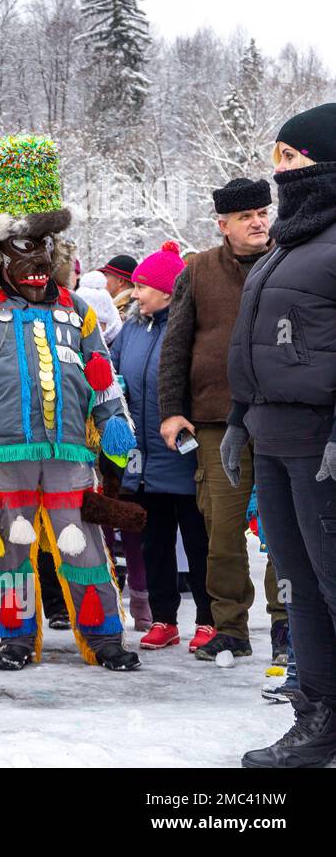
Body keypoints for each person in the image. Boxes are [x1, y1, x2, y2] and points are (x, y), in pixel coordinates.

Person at [0, 135, 140, 673]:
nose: (36, 259)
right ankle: (12, 639)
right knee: (8, 552)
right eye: (22, 246)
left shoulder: (78, 309)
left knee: (83, 548)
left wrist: (116, 423)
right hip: (3, 458)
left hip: (70, 454)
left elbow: (104, 376)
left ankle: (104, 638)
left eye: (44, 246)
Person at [227, 102, 336, 768]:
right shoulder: (288, 245)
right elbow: (254, 345)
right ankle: (319, 717)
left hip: (324, 442)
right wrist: (241, 420)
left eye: (291, 157)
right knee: (299, 583)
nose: (279, 172)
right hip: (276, 438)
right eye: (277, 157)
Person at [158, 176, 285, 663]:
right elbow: (176, 345)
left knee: (284, 529)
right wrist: (172, 411)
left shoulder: (288, 259)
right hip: (214, 420)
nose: (258, 222)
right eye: (246, 216)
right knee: (223, 530)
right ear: (224, 225)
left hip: (281, 415)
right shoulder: (198, 271)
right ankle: (230, 626)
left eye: (262, 213)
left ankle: (287, 624)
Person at [110, 242, 211, 651]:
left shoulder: (188, 329)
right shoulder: (133, 328)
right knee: (154, 542)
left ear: (168, 292)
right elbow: (113, 369)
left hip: (183, 456)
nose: (135, 294)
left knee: (199, 542)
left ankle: (208, 619)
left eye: (143, 287)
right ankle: (165, 619)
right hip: (143, 459)